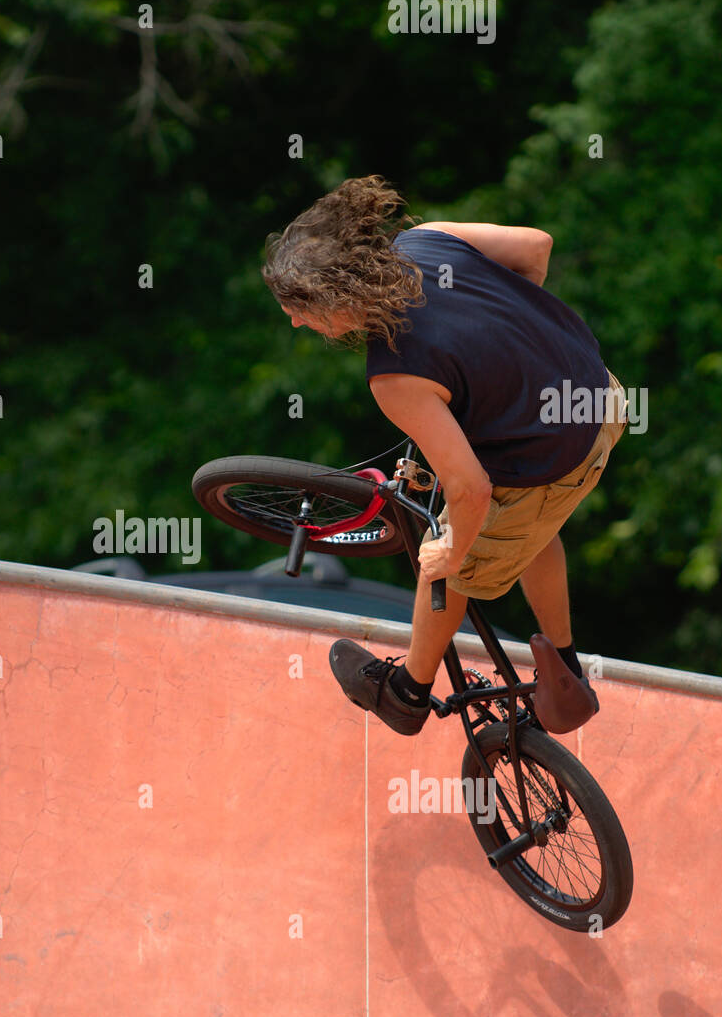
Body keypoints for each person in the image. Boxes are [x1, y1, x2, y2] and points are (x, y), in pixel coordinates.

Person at [261, 175, 627, 735]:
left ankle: (408, 693)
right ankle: (568, 668)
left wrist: (453, 551)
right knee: (531, 528)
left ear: (338, 299)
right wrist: (516, 345)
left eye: (300, 308)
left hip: (554, 460)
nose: (294, 321)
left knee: (441, 559)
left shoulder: (397, 378)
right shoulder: (425, 241)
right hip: (601, 402)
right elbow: (537, 247)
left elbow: (473, 489)